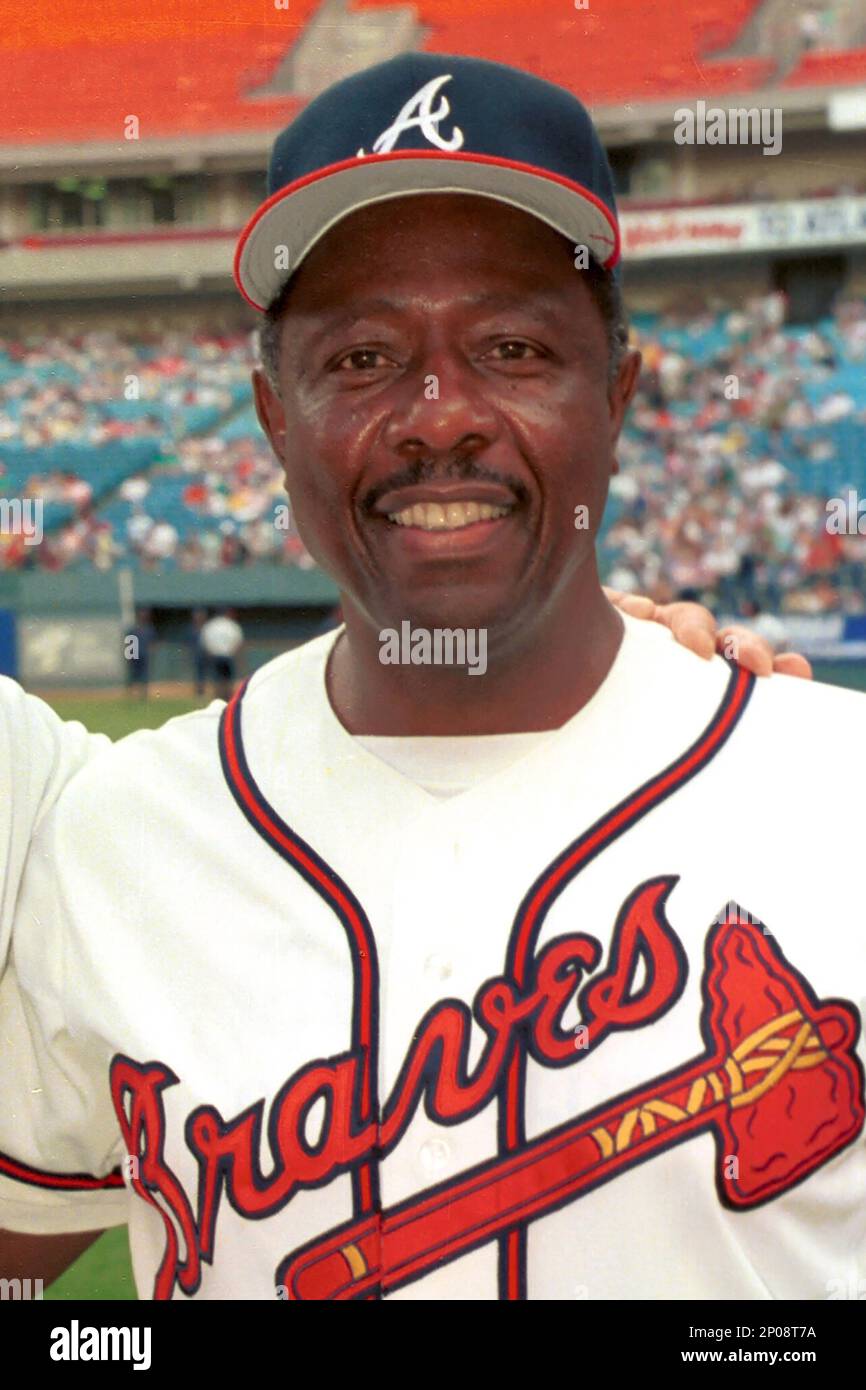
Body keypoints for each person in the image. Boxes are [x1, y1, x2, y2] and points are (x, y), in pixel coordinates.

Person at [1, 55, 858, 1303]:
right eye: (359, 360)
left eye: (510, 346)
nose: (438, 413)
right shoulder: (114, 839)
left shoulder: (836, 792)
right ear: (269, 415)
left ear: (617, 393)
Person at [199, 608, 244, 700]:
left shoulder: (211, 625)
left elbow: (204, 640)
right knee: (228, 678)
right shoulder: (231, 625)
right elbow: (237, 641)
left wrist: (210, 652)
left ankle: (218, 696)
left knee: (217, 678)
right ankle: (227, 696)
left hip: (215, 654)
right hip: (228, 655)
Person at [123, 607, 155, 699]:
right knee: (132, 675)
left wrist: (150, 651)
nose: (143, 616)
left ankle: (143, 693)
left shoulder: (149, 629)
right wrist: (128, 655)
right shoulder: (133, 629)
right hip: (134, 655)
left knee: (144, 675)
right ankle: (130, 693)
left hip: (144, 655)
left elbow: (152, 643)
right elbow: (128, 642)